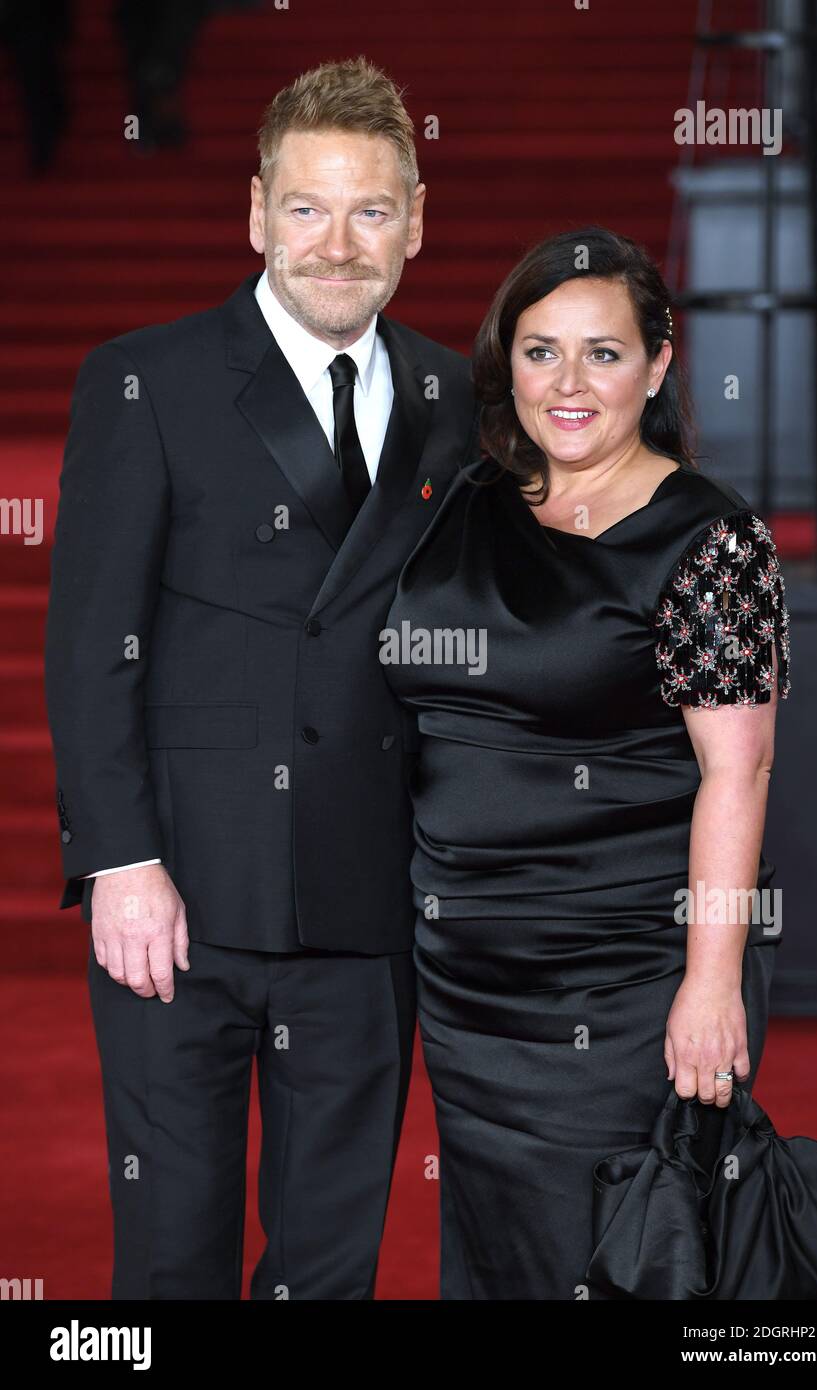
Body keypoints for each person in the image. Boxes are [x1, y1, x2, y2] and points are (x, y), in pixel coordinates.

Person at [43, 56, 477, 1300]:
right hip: (177, 902)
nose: (337, 244)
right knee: (172, 1257)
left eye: (370, 209)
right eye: (306, 207)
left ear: (413, 220)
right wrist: (119, 861)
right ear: (253, 214)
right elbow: (89, 641)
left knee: (329, 1263)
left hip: (367, 903)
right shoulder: (151, 380)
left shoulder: (455, 397)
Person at [382, 226, 791, 1300]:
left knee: (614, 1256)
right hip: (465, 986)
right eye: (538, 350)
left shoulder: (710, 542)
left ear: (657, 364)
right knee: (496, 1257)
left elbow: (734, 773)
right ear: (501, 360)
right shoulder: (464, 502)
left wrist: (708, 980)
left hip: (619, 981)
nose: (566, 384)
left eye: (601, 354)